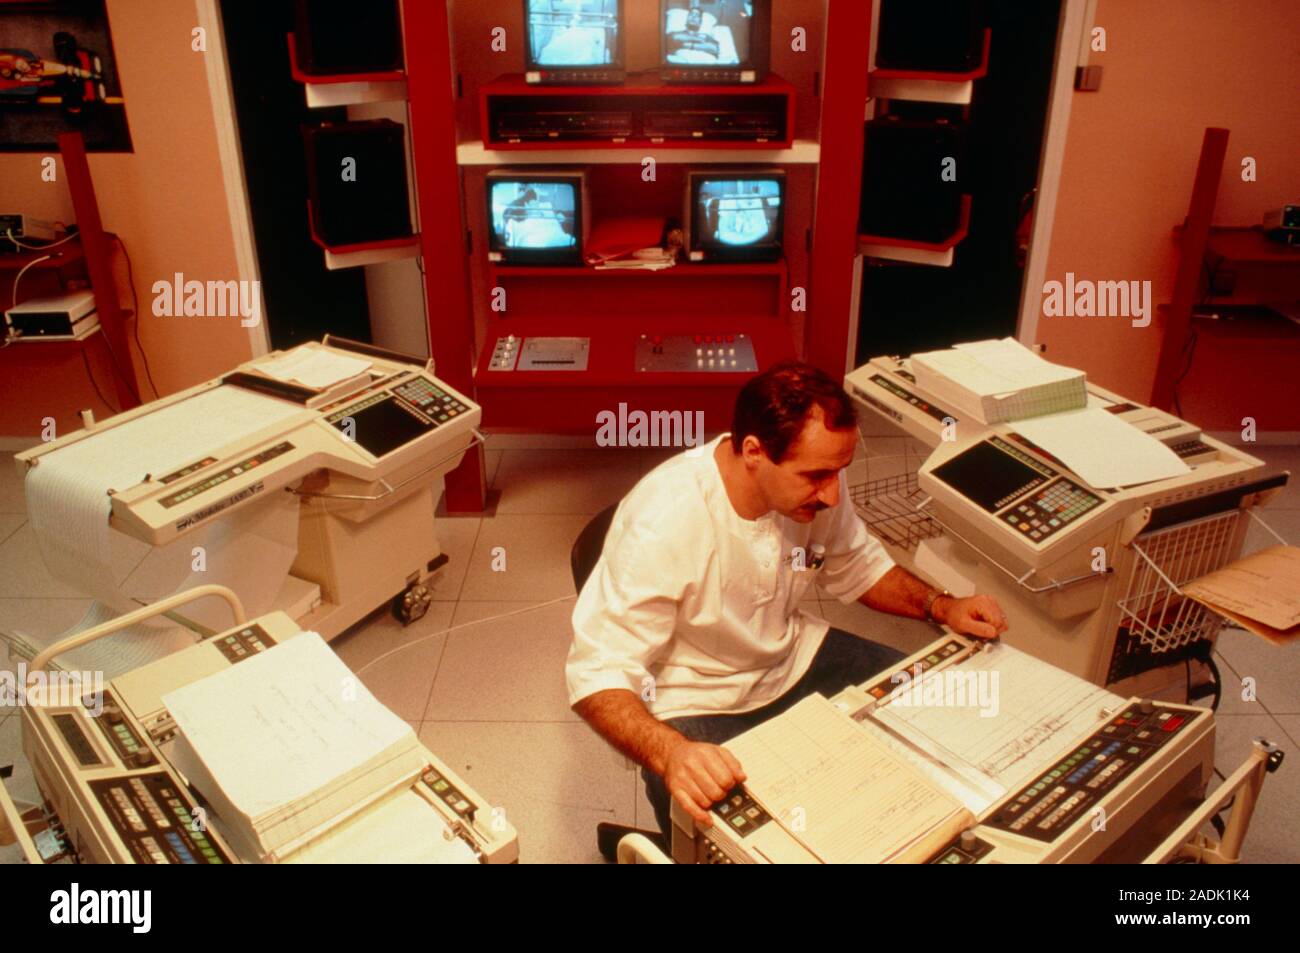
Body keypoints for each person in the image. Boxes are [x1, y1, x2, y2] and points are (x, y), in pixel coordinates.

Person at [566, 361, 1009, 844]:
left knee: (945, 714)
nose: (833, 495)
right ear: (753, 451)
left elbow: (859, 565)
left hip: (793, 657)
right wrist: (673, 753)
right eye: (817, 475)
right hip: (692, 696)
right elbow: (597, 674)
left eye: (840, 472)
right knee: (766, 843)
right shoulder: (664, 520)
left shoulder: (813, 492)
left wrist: (941, 606)